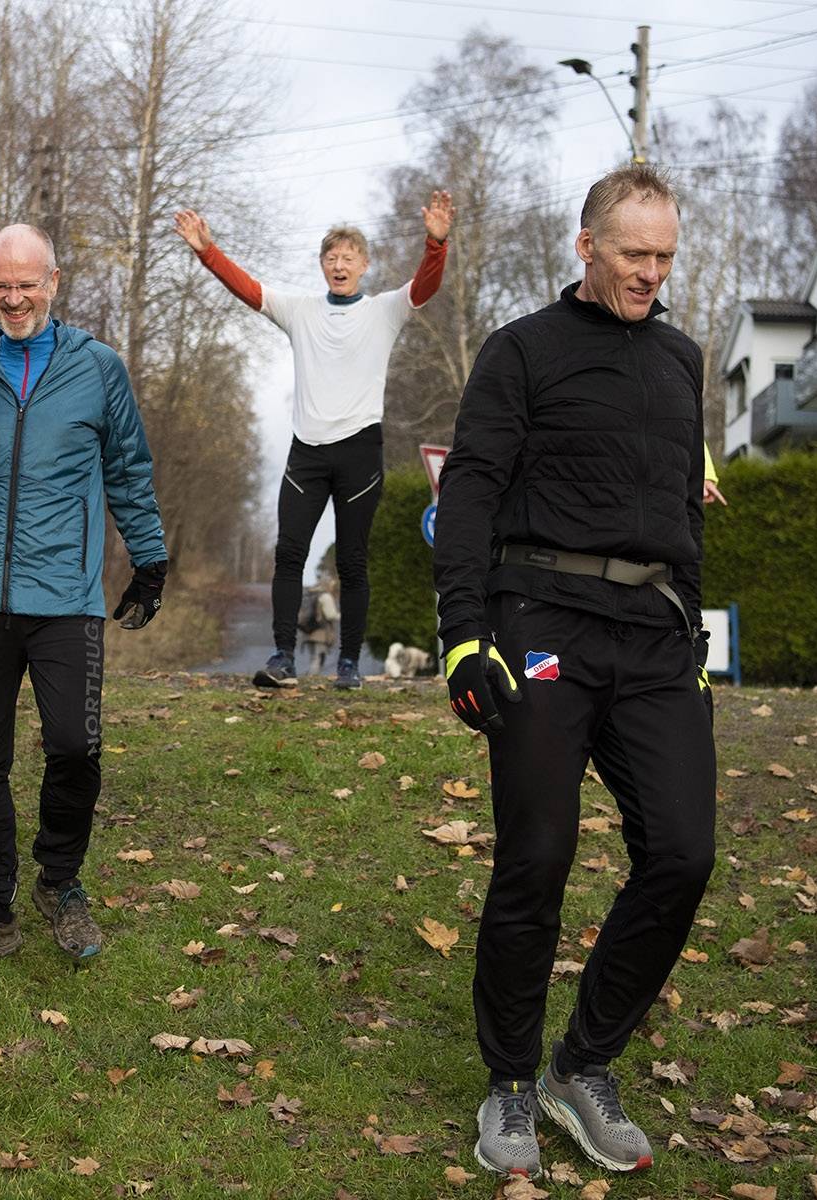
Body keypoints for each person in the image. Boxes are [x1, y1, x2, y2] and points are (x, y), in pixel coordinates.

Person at [430, 165, 716, 1181]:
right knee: (538, 857)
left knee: (682, 853)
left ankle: (581, 1064)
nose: (651, 273)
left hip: (655, 639)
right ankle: (510, 1081)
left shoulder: (682, 360)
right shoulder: (522, 351)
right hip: (543, 623)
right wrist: (462, 634)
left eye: (665, 257)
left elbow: (683, 510)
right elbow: (470, 492)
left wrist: (692, 631)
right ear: (587, 245)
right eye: (635, 254)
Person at [0, 223, 168, 971]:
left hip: (67, 597)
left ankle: (59, 880)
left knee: (76, 748)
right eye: (0, 285)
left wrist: (149, 560)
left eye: (26, 284)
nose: (14, 299)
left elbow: (128, 469)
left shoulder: (98, 368)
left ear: (53, 281)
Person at [173, 193, 451, 690]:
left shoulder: (383, 311)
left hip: (360, 451)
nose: (339, 265)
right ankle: (283, 657)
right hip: (307, 451)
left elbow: (424, 287)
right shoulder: (299, 311)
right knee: (289, 554)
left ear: (364, 265)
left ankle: (348, 665)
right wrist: (206, 251)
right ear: (322, 265)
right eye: (331, 257)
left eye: (348, 258)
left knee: (352, 561)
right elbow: (248, 289)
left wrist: (436, 244)